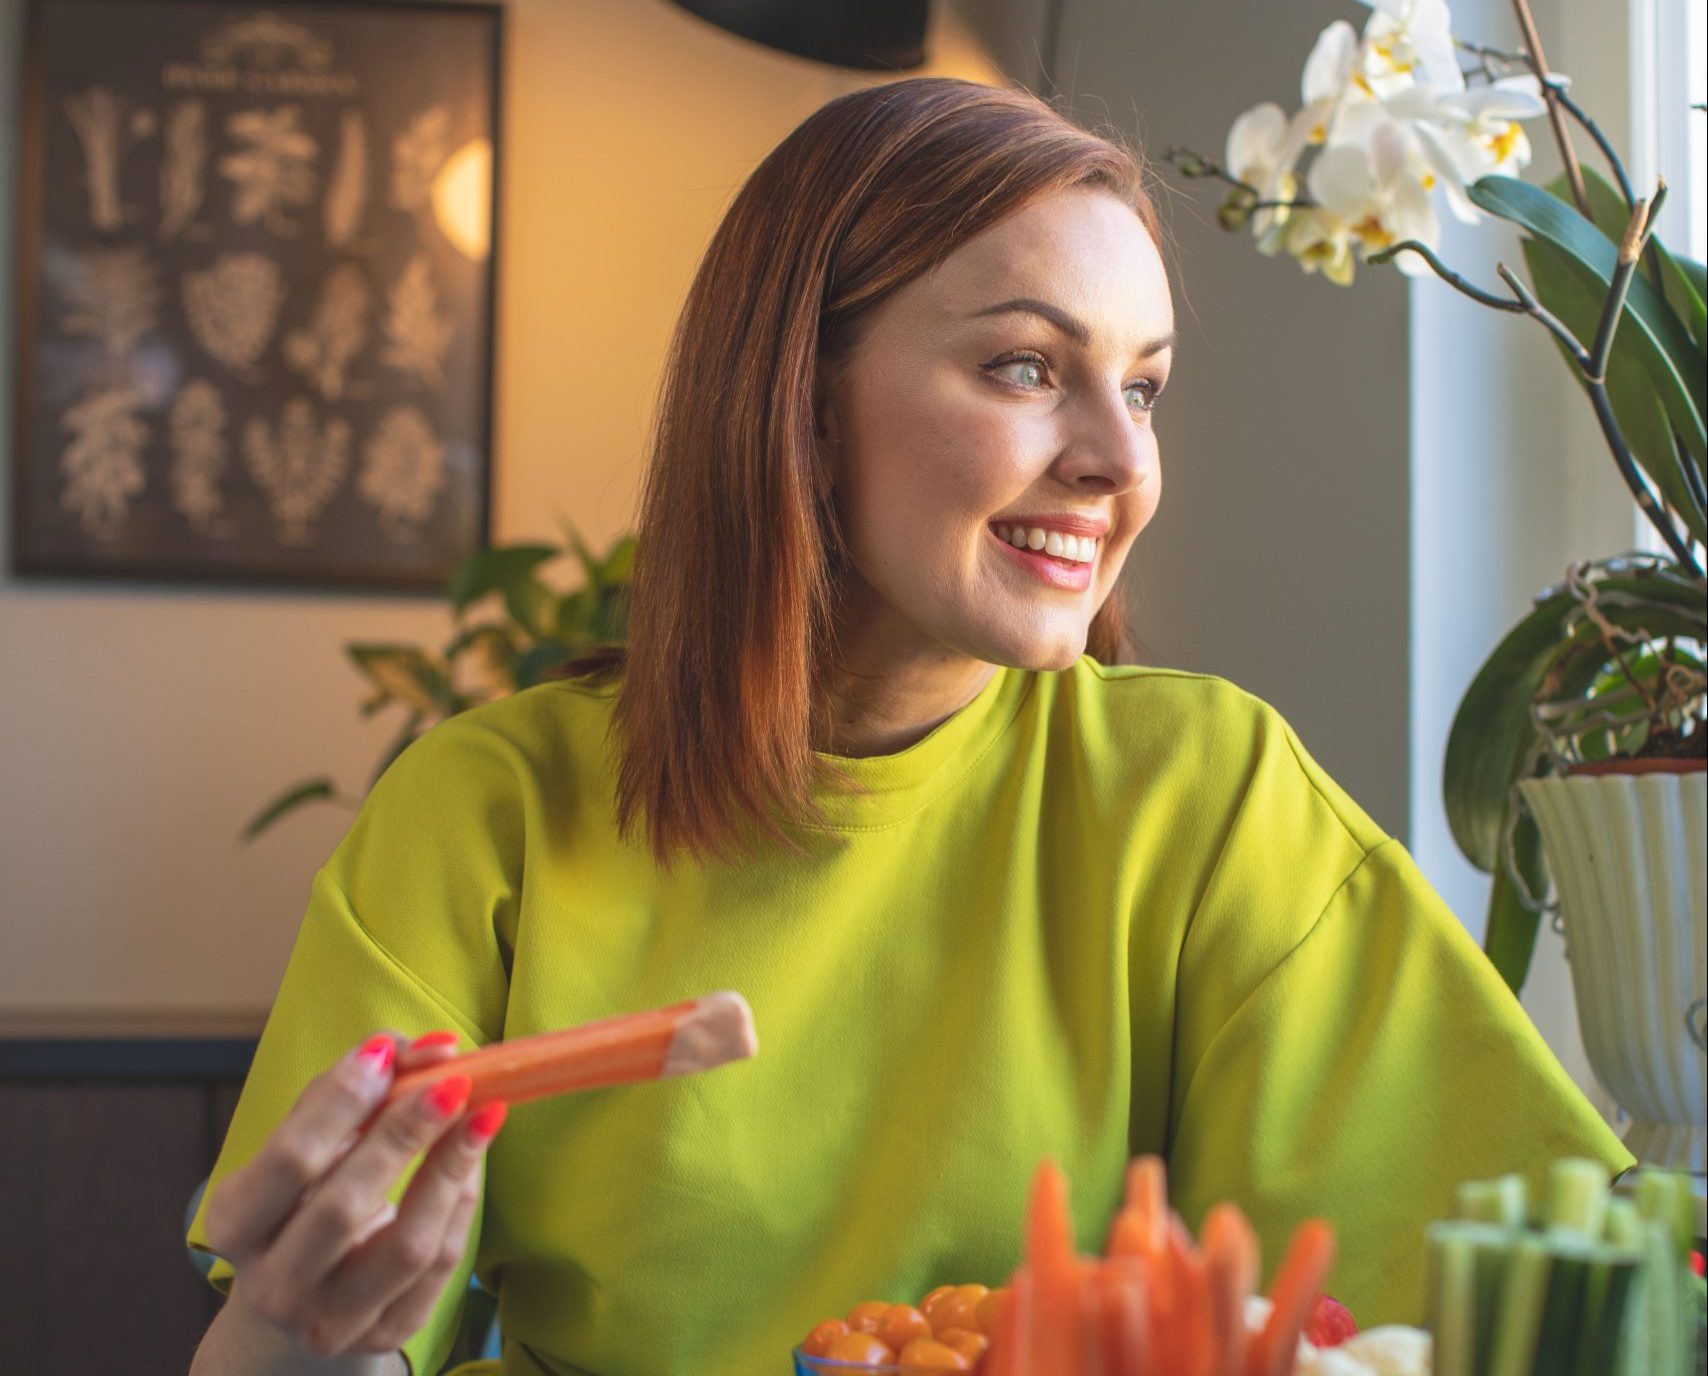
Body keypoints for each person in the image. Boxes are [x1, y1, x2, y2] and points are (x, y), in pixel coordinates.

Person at [185, 76, 1630, 1376]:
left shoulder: (1210, 797)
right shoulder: (483, 813)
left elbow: (1560, 1297)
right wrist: (302, 1334)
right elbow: (317, 1343)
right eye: (1026, 368)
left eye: (1143, 388)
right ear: (804, 409)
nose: (1119, 461)